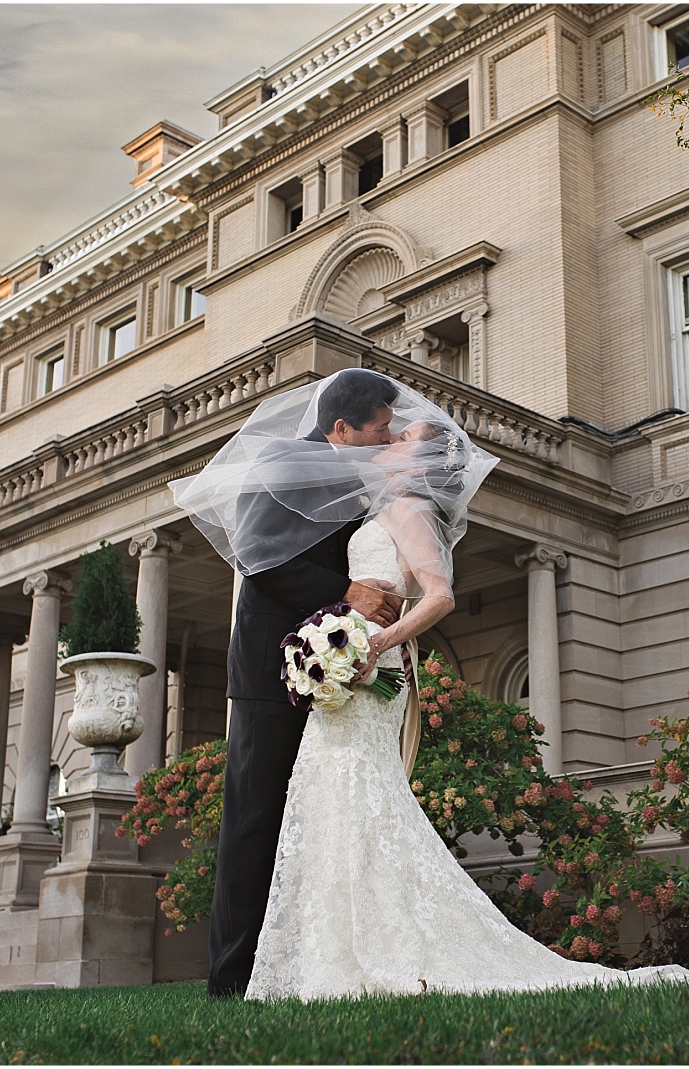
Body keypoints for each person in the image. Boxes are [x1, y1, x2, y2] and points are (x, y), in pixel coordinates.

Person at [173, 368, 407, 998]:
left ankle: (300, 966)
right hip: (269, 670)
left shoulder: (356, 480)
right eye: (380, 428)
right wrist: (346, 593)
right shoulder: (280, 462)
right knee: (255, 819)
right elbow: (259, 557)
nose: (389, 437)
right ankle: (232, 978)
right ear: (341, 428)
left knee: (313, 817)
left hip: (334, 671)